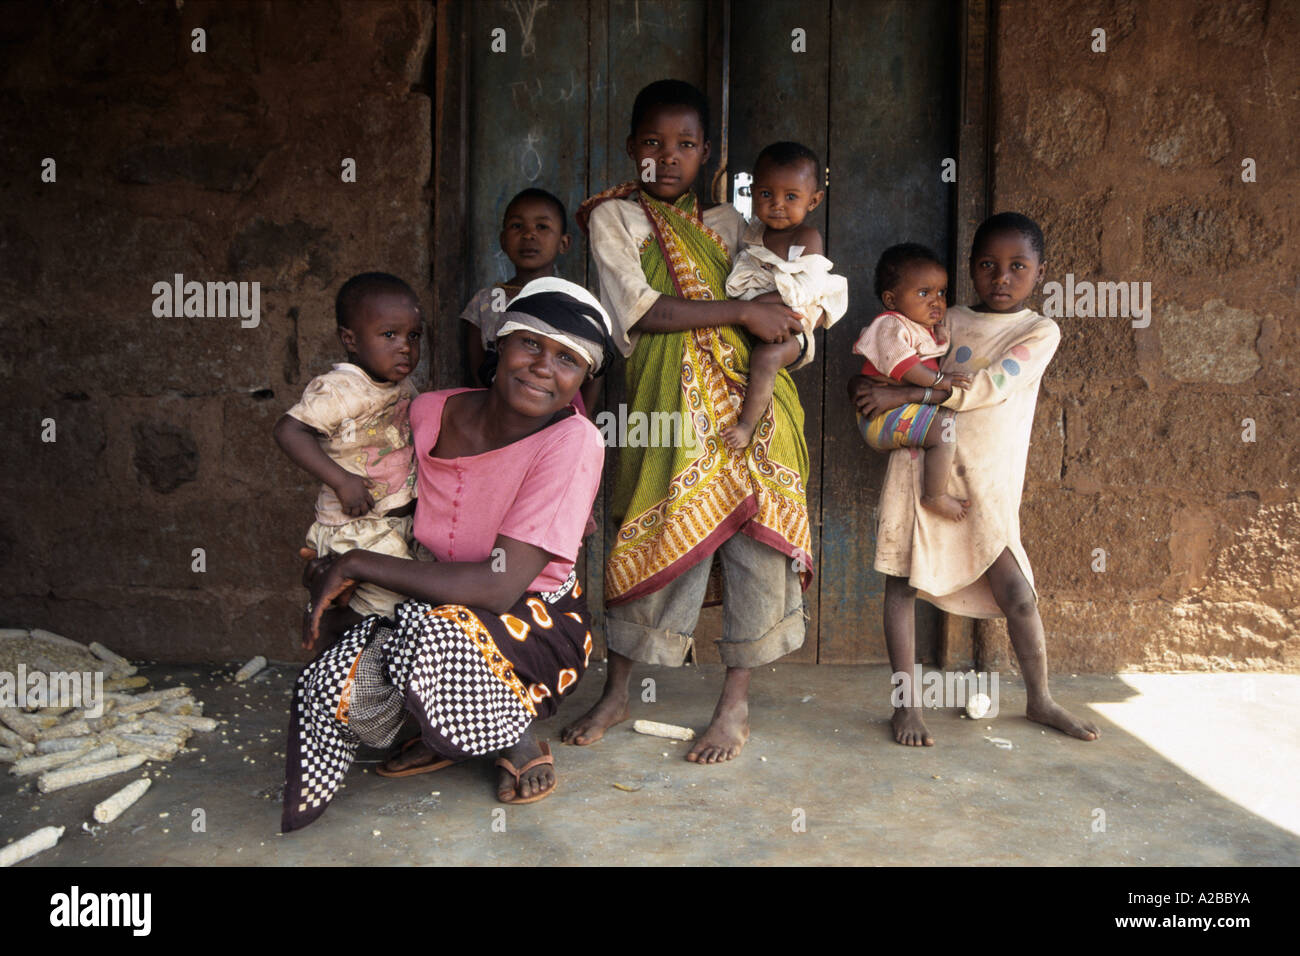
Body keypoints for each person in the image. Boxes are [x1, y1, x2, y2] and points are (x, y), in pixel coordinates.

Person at [282, 279, 614, 831]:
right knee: (334, 674)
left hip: (533, 619)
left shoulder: (574, 442)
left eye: (567, 360)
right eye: (530, 344)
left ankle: (516, 736)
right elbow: (370, 493)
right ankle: (443, 734)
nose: (541, 367)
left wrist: (358, 564)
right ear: (499, 346)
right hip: (431, 596)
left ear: (581, 379)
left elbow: (499, 585)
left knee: (435, 636)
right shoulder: (427, 413)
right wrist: (333, 558)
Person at [562, 79, 812, 764]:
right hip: (664, 416)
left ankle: (734, 704)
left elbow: (788, 300)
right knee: (652, 531)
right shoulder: (615, 220)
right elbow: (638, 311)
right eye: (652, 143)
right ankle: (617, 693)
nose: (666, 157)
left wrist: (795, 339)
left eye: (684, 145)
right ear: (630, 149)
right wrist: (741, 314)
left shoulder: (732, 228)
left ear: (707, 153)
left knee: (756, 552)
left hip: (751, 412)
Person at [849, 212, 1101, 747]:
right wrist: (874, 386)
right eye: (987, 265)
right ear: (970, 267)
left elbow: (988, 386)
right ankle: (907, 707)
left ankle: (1040, 699)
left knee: (1018, 594)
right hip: (922, 466)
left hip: (986, 480)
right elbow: (897, 356)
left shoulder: (1038, 331)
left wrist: (905, 396)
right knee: (902, 585)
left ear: (1040, 272)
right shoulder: (947, 317)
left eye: (1017, 267)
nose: (1001, 278)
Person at [272, 272, 422, 647]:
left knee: (407, 602)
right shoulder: (340, 389)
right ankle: (330, 646)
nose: (404, 346)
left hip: (393, 525)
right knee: (385, 606)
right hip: (355, 527)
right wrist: (341, 480)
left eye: (413, 336)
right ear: (350, 340)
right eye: (389, 335)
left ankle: (358, 664)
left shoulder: (403, 387)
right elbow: (289, 431)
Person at [721, 141, 847, 450]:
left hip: (793, 330)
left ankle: (746, 426)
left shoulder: (805, 238)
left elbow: (807, 291)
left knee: (766, 357)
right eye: (766, 194)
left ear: (814, 201)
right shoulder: (751, 233)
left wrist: (759, 306)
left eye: (791, 197)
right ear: (752, 193)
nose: (777, 204)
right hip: (753, 320)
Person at [853, 243, 973, 520]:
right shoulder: (890, 325)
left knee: (949, 423)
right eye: (923, 293)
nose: (937, 301)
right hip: (880, 415)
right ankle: (935, 496)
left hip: (898, 409)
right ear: (891, 300)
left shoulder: (926, 329)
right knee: (944, 432)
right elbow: (905, 366)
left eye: (941, 292)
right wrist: (940, 380)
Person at [460, 188, 600, 414]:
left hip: (560, 410)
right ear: (503, 240)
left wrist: (585, 416)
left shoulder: (576, 302)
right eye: (517, 226)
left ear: (564, 243)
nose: (528, 235)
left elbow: (594, 371)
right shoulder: (485, 301)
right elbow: (477, 369)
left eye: (542, 227)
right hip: (499, 411)